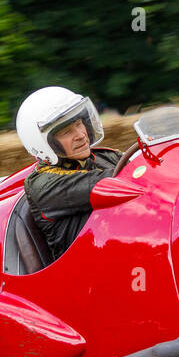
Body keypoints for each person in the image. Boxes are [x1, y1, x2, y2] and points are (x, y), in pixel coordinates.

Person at [16, 86, 122, 259]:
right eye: (66, 131)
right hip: (89, 273)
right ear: (44, 143)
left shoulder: (106, 157)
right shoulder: (43, 185)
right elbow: (113, 181)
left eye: (79, 124)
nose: (80, 135)